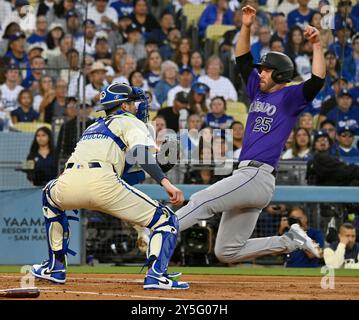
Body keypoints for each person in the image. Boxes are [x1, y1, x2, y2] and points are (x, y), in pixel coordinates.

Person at [174, 5, 325, 264]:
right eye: (262, 69)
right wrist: (246, 27)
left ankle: (159, 231)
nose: (261, 72)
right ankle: (289, 241)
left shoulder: (288, 97)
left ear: (280, 74)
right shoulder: (258, 90)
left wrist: (317, 45)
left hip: (257, 174)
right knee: (226, 251)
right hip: (247, 176)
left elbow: (316, 81)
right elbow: (242, 59)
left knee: (202, 199)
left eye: (266, 70)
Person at [31, 83, 189, 290]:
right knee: (167, 219)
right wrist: (165, 181)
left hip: (69, 181)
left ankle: (55, 267)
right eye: (133, 103)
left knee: (49, 194)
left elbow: (123, 172)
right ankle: (157, 275)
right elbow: (141, 155)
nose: (137, 106)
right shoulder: (129, 122)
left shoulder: (92, 127)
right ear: (123, 106)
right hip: (103, 183)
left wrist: (158, 166)